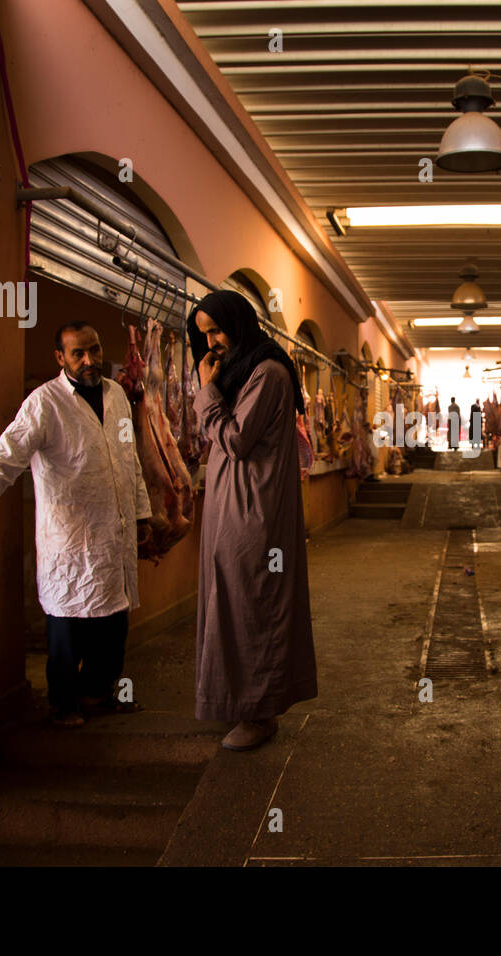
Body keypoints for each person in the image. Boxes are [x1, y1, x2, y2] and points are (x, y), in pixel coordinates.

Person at [0, 322, 152, 728]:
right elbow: (11, 450)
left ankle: (97, 694)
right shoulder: (45, 402)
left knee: (113, 621)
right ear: (60, 358)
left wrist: (143, 512)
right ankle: (63, 703)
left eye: (93, 350)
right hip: (70, 538)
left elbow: (130, 460)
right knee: (68, 623)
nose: (89, 360)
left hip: (115, 529)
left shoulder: (116, 396)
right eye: (78, 354)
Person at [189, 290, 317, 751]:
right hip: (231, 508)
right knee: (229, 603)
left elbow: (237, 440)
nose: (211, 343)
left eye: (217, 330)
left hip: (254, 512)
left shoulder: (268, 372)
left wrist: (206, 394)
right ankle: (237, 702)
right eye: (204, 334)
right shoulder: (240, 372)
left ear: (239, 323)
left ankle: (260, 713)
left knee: (254, 603)